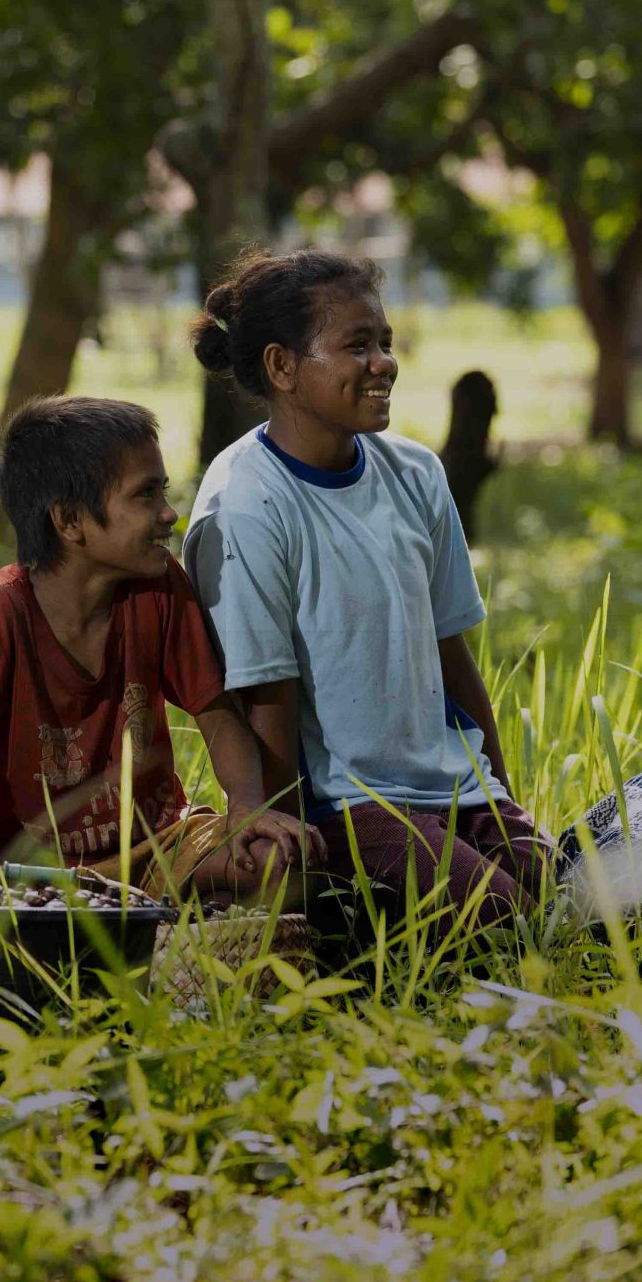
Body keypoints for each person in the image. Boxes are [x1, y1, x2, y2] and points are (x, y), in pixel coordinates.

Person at [180, 248, 551, 932]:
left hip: (451, 784)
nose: (383, 362)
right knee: (505, 919)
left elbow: (451, 654)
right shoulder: (246, 506)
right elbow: (266, 696)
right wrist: (286, 858)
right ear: (282, 366)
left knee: (568, 895)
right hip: (347, 804)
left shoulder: (414, 473)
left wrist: (502, 800)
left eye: (384, 341)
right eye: (357, 345)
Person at [0, 396, 317, 899]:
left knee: (278, 862)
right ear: (70, 521)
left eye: (163, 491)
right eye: (145, 496)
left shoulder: (160, 589)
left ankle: (171, 946)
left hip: (157, 849)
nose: (169, 513)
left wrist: (247, 806)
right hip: (31, 879)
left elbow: (218, 714)